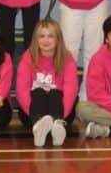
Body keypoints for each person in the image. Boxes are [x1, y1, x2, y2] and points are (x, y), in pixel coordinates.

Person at [16, 18, 79, 147]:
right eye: (42, 36)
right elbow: (21, 91)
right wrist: (34, 116)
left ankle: (58, 127)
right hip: (33, 112)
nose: (46, 40)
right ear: (35, 39)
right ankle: (38, 128)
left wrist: (62, 116)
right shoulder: (28, 57)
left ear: (58, 39)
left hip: (60, 111)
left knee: (55, 92)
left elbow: (71, 90)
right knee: (38, 92)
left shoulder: (67, 58)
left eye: (50, 36)